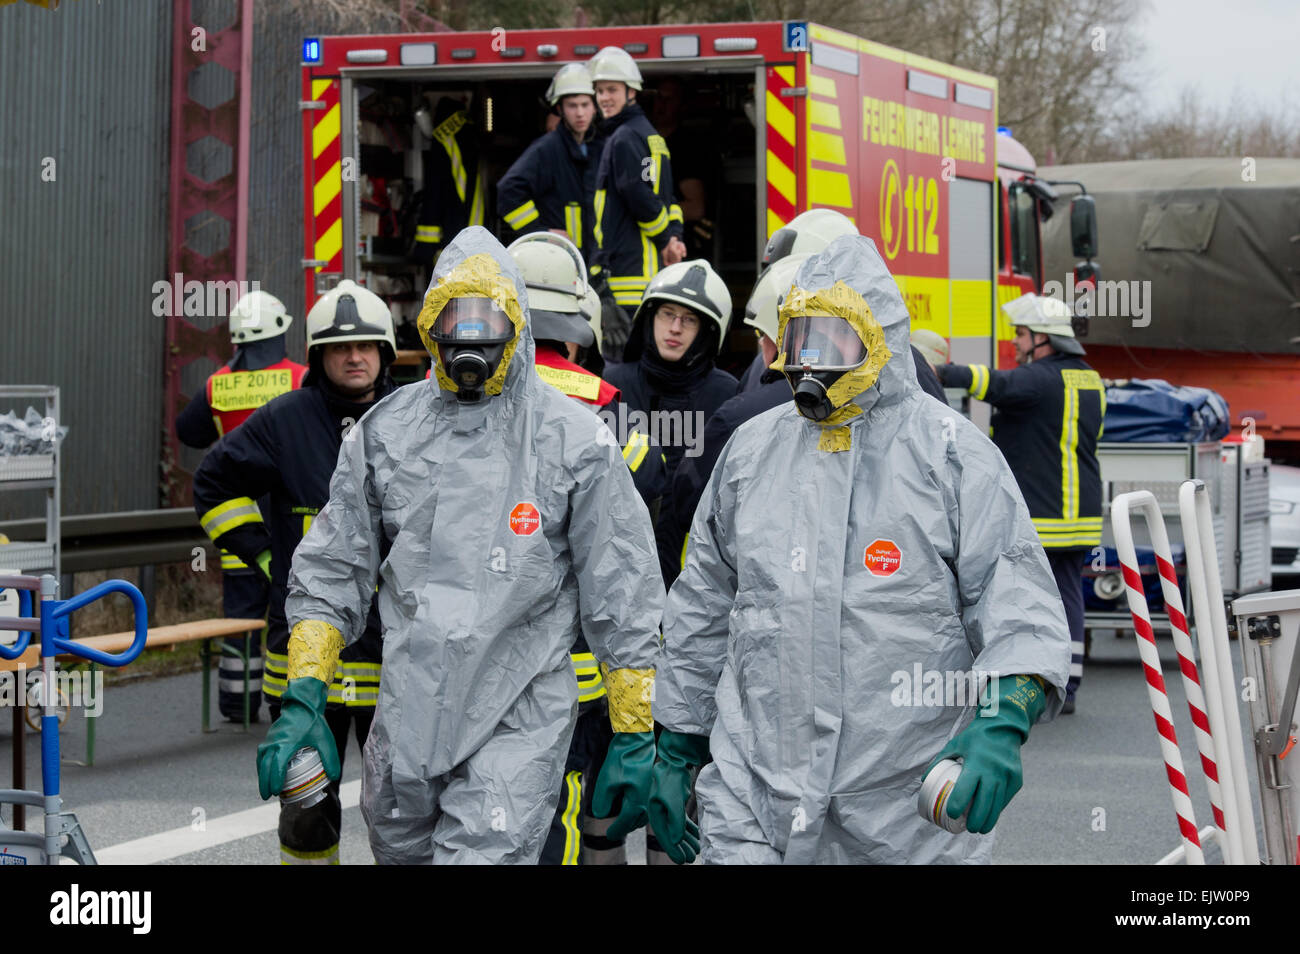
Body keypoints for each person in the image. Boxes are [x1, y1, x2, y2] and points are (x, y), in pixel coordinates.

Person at [648, 236, 1070, 864]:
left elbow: (1020, 606)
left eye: (835, 341)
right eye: (801, 340)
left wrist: (1004, 718)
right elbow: (704, 605)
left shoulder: (951, 455)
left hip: (904, 818)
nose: (813, 361)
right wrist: (676, 739)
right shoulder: (751, 453)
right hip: (756, 799)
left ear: (879, 339)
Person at [261, 226, 664, 864]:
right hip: (407, 716)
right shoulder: (385, 433)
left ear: (518, 324)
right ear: (430, 326)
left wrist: (636, 729)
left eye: (487, 319)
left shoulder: (573, 439)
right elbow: (333, 567)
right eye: (455, 319)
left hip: (519, 716)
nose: (469, 339)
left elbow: (623, 591)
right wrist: (306, 691)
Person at [194, 280, 397, 863]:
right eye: (339, 348)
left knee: (409, 808)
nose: (354, 357)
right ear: (317, 357)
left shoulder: (414, 417)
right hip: (305, 659)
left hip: (397, 655)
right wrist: (264, 556)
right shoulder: (283, 420)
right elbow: (213, 483)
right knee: (306, 811)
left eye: (365, 346)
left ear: (384, 352)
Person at [937, 293, 1103, 713]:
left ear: (1044, 340)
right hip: (1080, 512)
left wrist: (935, 370)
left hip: (1047, 513)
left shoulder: (1039, 380)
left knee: (1032, 599)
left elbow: (992, 382)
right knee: (1069, 594)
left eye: (1022, 334)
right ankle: (1072, 679)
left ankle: (1040, 678)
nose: (1016, 342)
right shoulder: (1090, 379)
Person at [178, 289, 306, 724]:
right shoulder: (299, 379)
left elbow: (188, 432)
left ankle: (237, 704)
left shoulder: (217, 385)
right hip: (289, 523)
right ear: (280, 333)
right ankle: (293, 703)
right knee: (292, 615)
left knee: (241, 617)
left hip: (236, 526)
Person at [604, 260, 735, 579]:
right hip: (619, 570)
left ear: (707, 332)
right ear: (649, 319)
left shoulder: (727, 395)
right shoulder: (612, 385)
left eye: (689, 320)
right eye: (667, 315)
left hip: (697, 576)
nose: (675, 328)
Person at [587, 46, 686, 361]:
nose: (604, 98)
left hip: (624, 276)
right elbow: (669, 200)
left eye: (612, 90)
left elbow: (638, 194)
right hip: (648, 277)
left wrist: (664, 239)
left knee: (619, 370)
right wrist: (674, 238)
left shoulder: (623, 137)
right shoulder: (653, 137)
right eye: (600, 91)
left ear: (631, 92)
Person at [497, 64, 604, 261]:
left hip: (594, 260)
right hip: (559, 260)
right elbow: (507, 192)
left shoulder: (601, 146)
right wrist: (541, 233)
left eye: (585, 104)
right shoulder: (547, 149)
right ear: (559, 109)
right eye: (572, 106)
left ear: (595, 107)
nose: (580, 113)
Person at [413, 96, 486, 267]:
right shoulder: (470, 133)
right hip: (475, 234)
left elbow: (434, 193)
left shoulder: (443, 139)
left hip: (456, 236)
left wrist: (426, 249)